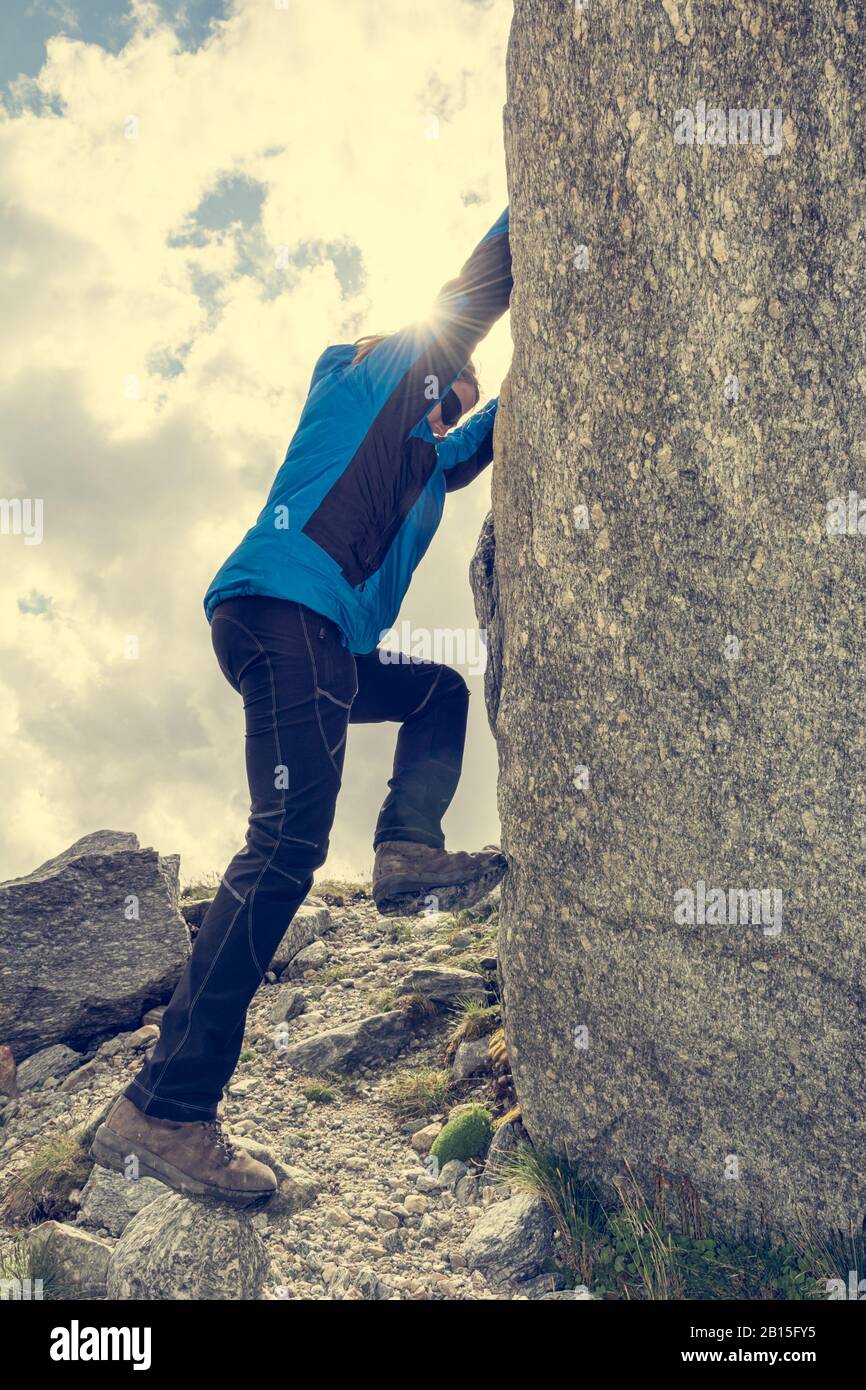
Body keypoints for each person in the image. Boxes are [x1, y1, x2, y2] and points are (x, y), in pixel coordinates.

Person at [91, 208, 513, 1204]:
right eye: (458, 389)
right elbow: (477, 287)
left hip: (304, 631)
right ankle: (166, 1105)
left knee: (436, 691)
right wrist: (545, 189)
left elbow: (474, 444)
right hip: (291, 608)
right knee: (284, 845)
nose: (461, 402)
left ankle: (407, 846)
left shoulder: (422, 453)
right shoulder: (388, 369)